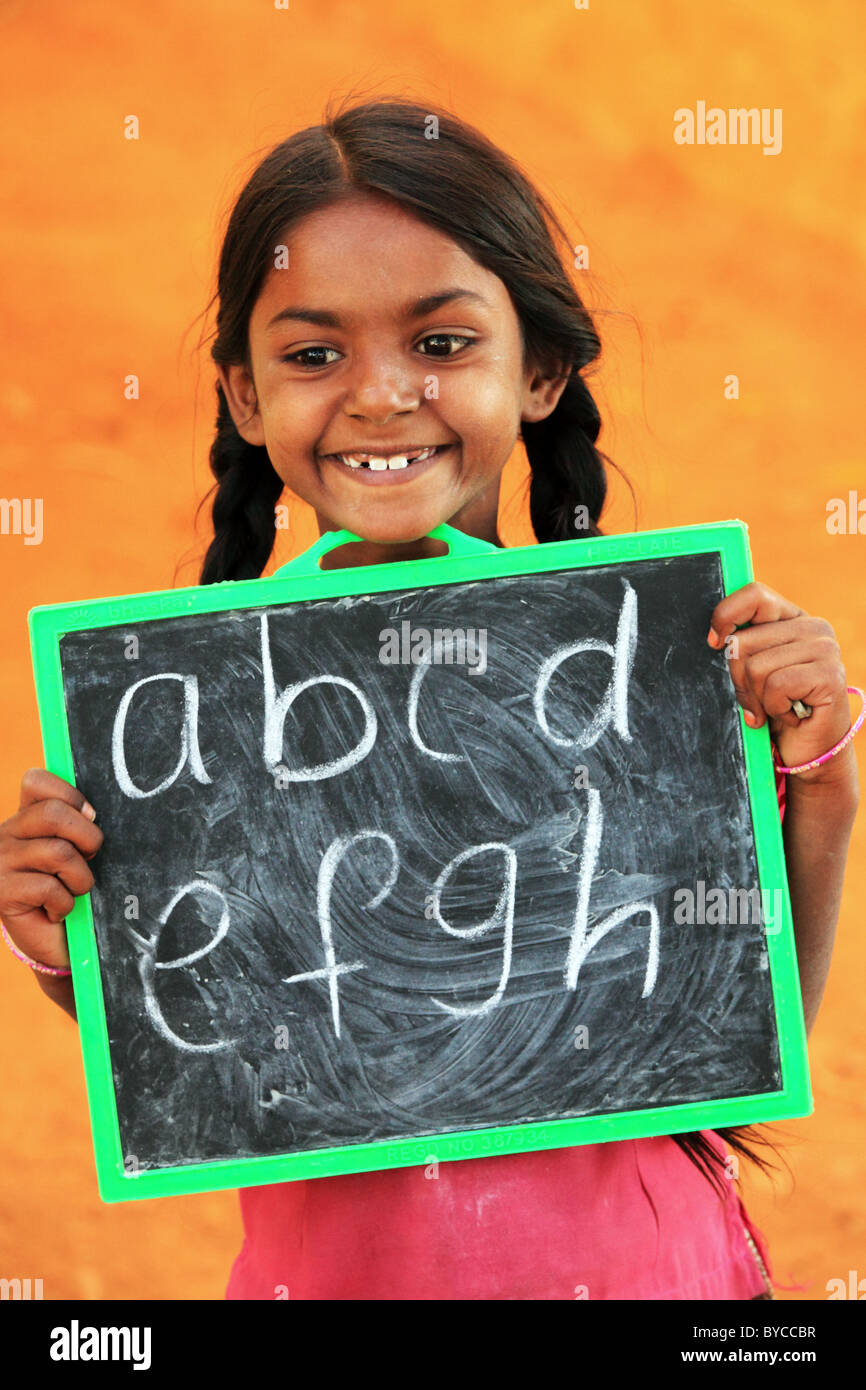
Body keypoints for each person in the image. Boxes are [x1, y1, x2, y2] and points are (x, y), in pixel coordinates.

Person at [0, 95, 860, 1300]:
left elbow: (741, 1028)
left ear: (542, 368)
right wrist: (76, 944)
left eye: (441, 344)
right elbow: (230, 1062)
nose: (379, 395)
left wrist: (818, 785)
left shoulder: (646, 683)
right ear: (245, 396)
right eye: (312, 354)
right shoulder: (180, 731)